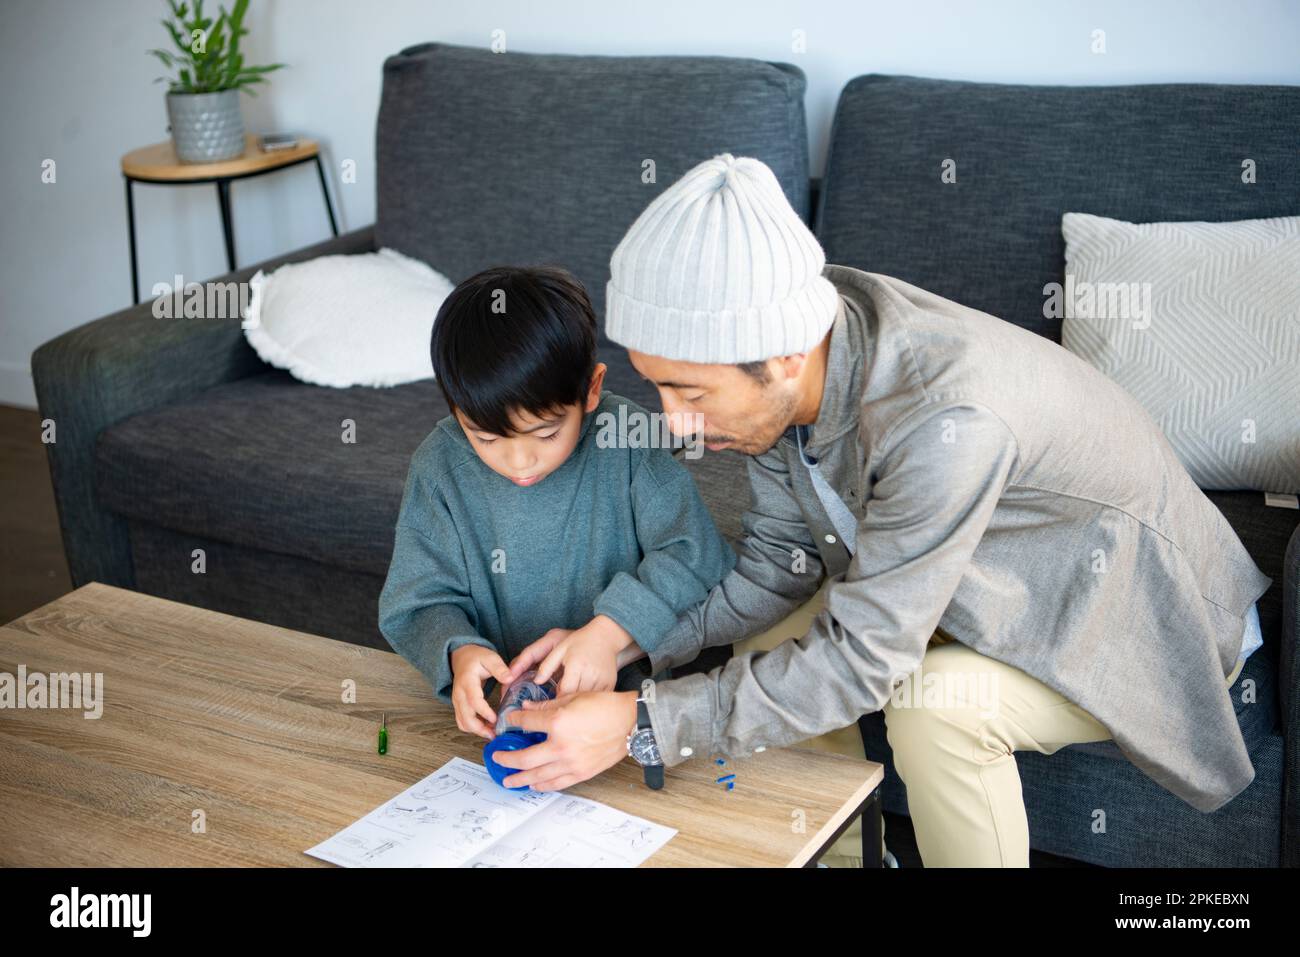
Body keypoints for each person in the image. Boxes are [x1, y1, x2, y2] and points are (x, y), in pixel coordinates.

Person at [489, 154, 1270, 866]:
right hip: (983, 589)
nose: (676, 424)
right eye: (658, 385)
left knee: (938, 710)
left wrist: (641, 723)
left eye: (689, 392)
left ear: (784, 356)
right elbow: (777, 567)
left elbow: (863, 662)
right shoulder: (806, 351)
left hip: (1131, 624)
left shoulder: (942, 419)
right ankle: (843, 854)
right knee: (775, 633)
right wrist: (617, 639)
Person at [378, 264, 736, 752]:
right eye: (486, 438)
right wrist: (458, 651)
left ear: (591, 389)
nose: (520, 462)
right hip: (504, 717)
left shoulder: (627, 440)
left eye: (546, 433)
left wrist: (609, 633)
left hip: (623, 716)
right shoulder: (438, 466)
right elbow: (418, 599)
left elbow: (695, 551)